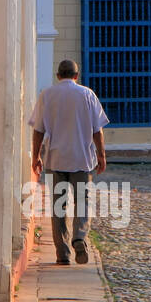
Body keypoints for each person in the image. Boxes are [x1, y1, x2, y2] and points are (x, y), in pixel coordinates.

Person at [28, 59, 108, 265]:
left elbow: (38, 130)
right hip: (82, 158)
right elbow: (97, 130)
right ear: (76, 75)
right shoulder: (87, 94)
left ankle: (62, 254)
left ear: (58, 75)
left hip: (55, 159)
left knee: (58, 207)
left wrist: (36, 156)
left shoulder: (47, 95)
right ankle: (79, 237)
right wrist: (101, 155)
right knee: (82, 202)